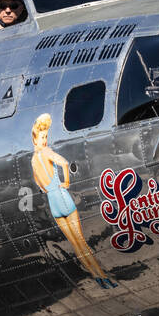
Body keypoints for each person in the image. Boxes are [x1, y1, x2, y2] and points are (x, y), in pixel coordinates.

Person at [30, 113, 115, 289]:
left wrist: (48, 189)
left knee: (75, 245)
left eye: (46, 137)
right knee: (81, 241)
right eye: (43, 137)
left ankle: (95, 276)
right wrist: (66, 182)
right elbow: (64, 163)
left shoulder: (33, 160)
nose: (45, 140)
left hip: (53, 203)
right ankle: (102, 276)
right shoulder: (46, 152)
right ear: (35, 139)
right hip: (62, 197)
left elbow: (38, 183)